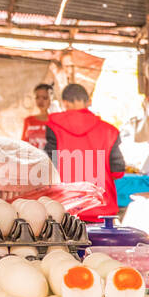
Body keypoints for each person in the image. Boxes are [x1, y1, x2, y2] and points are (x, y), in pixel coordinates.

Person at [44, 83, 126, 219]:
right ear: (88, 101)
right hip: (101, 211)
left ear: (64, 102)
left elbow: (49, 169)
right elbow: (118, 171)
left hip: (65, 210)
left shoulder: (54, 128)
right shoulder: (109, 131)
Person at [21, 83, 53, 150]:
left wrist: (55, 160)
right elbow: (23, 144)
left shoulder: (56, 122)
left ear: (51, 99)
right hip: (31, 159)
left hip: (49, 159)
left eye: (45, 98)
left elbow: (57, 146)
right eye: (37, 97)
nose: (40, 101)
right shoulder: (29, 120)